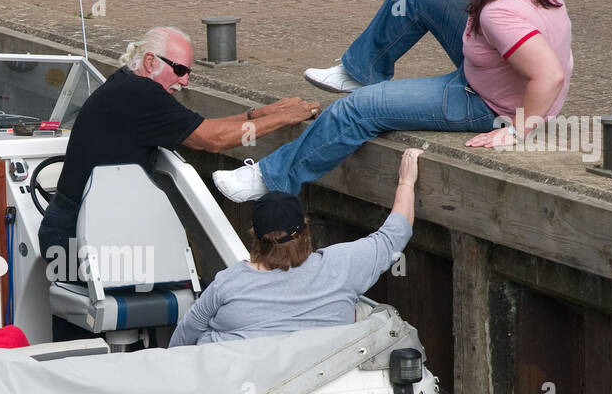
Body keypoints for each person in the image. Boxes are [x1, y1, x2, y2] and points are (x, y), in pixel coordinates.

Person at [213, 0, 572, 202]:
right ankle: (361, 70)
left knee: (357, 109)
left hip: (490, 102)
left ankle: (269, 178)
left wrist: (516, 130)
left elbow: (549, 75)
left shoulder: (499, 14)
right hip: (494, 67)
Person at [39, 25, 319, 272]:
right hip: (77, 231)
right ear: (150, 61)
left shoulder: (127, 85)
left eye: (189, 73)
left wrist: (260, 115)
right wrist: (284, 118)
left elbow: (202, 127)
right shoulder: (142, 95)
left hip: (78, 224)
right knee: (88, 316)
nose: (185, 81)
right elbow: (212, 140)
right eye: (180, 70)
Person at [170, 148, 423, 346]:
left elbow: (184, 337)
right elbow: (395, 234)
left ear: (255, 237)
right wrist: (405, 182)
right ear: (305, 231)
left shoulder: (228, 284)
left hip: (237, 389)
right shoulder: (343, 266)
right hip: (319, 382)